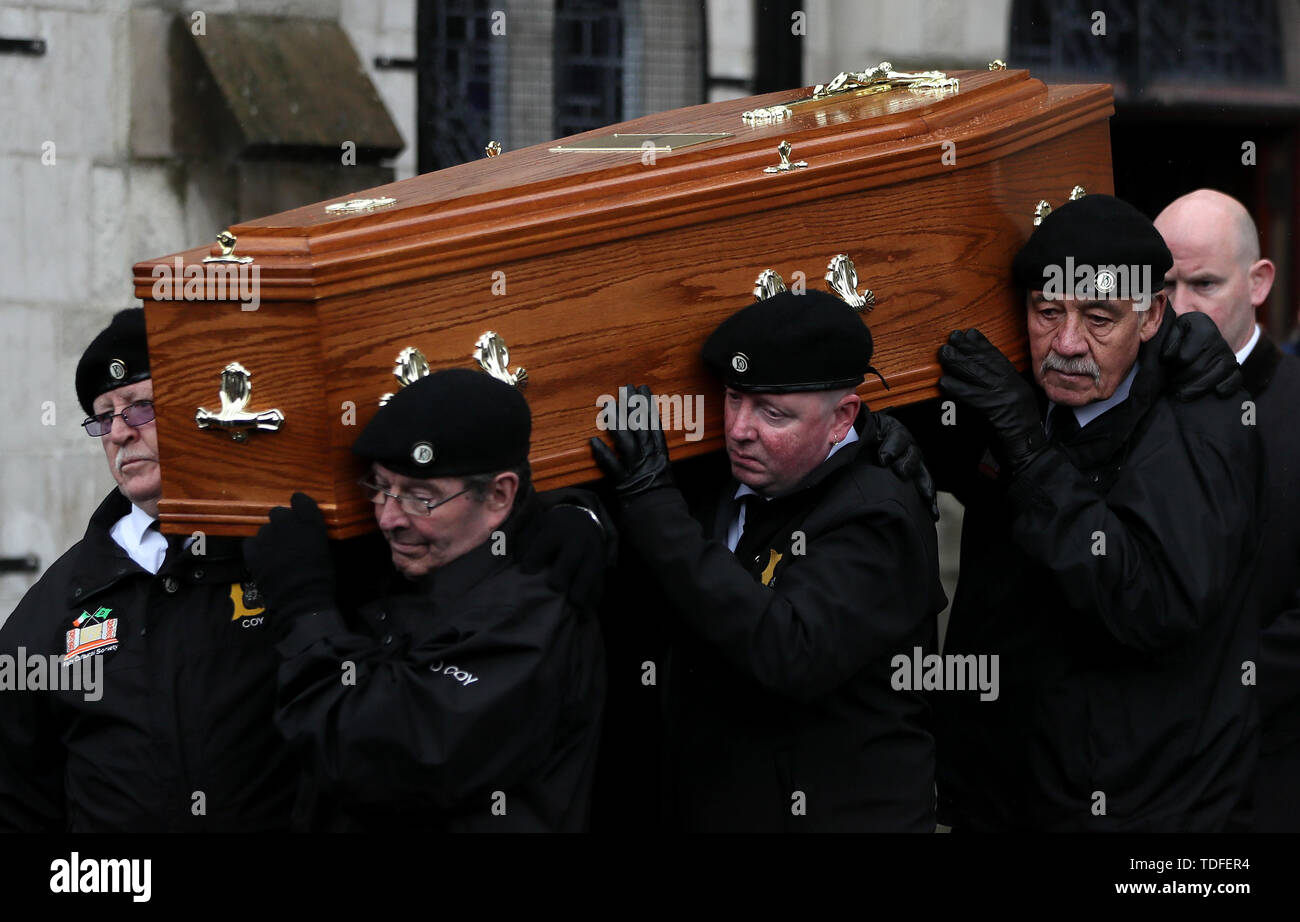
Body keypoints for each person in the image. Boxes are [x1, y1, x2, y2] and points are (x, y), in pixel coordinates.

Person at [923, 194, 1263, 831]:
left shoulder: (1202, 426)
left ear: (1152, 314)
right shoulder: (1023, 400)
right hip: (1005, 794)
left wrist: (1027, 450)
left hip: (1142, 813)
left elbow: (1148, 597)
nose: (1068, 343)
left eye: (1099, 318)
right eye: (1048, 312)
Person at [590, 289, 946, 832]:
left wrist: (654, 505)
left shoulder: (877, 519)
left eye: (772, 413)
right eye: (734, 398)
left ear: (842, 417)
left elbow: (788, 650)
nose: (739, 430)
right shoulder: (728, 475)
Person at [245, 368, 606, 832]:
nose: (389, 518)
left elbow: (378, 753)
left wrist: (305, 609)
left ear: (499, 494)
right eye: (378, 486)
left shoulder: (529, 615)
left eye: (420, 497)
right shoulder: (423, 564)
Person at [0, 308, 299, 831]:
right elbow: (16, 789)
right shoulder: (59, 601)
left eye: (141, 408)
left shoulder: (281, 551)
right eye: (103, 415)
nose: (118, 433)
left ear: (200, 411)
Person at [1154, 189, 1300, 831]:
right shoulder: (1113, 404)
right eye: (1164, 286)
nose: (1181, 310)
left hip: (1269, 777)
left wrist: (1205, 697)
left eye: (1205, 284)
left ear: (1259, 281)